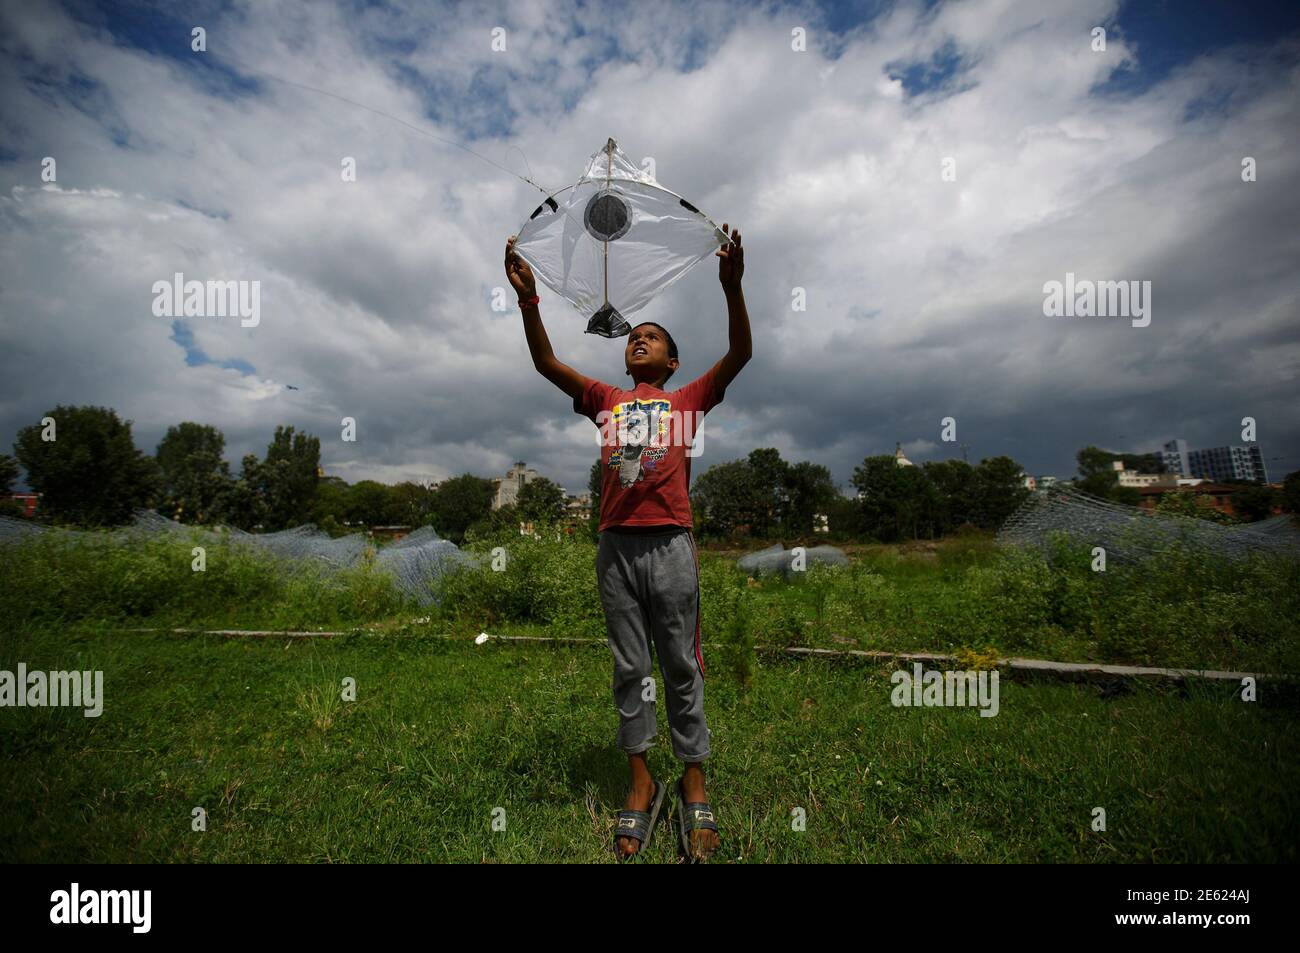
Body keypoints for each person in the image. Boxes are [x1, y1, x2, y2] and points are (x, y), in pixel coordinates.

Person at [504, 225, 751, 861]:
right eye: (634, 336)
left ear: (671, 364)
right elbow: (545, 364)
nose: (640, 338)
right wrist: (531, 301)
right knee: (630, 667)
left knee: (679, 664)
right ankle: (641, 780)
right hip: (615, 547)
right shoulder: (607, 401)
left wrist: (733, 289)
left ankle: (694, 778)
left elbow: (740, 354)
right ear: (625, 358)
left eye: (655, 338)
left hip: (670, 545)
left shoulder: (688, 400)